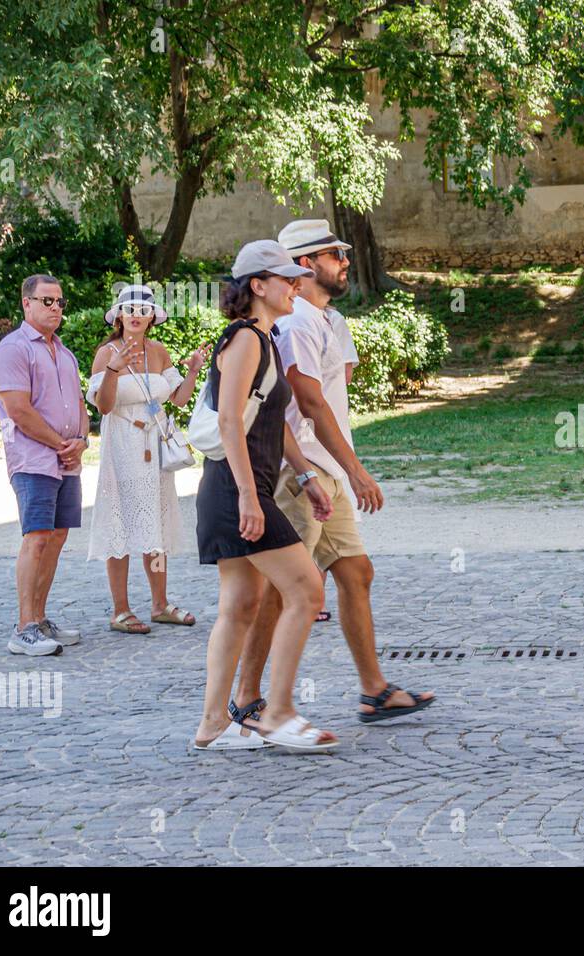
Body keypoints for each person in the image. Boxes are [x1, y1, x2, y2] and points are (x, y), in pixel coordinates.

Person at [228, 219, 433, 736]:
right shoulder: (294, 321)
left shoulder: (323, 318)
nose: (344, 261)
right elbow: (311, 404)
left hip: (327, 468)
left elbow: (335, 395)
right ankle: (248, 699)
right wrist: (355, 471)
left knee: (356, 572)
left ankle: (374, 691)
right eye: (334, 254)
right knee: (285, 588)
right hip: (305, 473)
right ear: (304, 263)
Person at [191, 240, 338, 752]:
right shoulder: (246, 339)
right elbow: (230, 419)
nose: (295, 285)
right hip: (237, 489)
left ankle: (212, 723)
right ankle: (277, 713)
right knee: (306, 591)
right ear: (258, 285)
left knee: (241, 603)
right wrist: (251, 499)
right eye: (285, 278)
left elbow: (273, 425)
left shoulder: (265, 338)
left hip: (237, 487)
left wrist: (306, 476)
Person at [87, 284, 208, 634]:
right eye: (131, 309)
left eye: (144, 310)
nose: (137, 315)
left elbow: (180, 399)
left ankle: (159, 603)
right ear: (120, 315)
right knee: (120, 521)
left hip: (153, 442)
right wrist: (113, 369)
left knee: (154, 520)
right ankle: (120, 609)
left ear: (153, 316)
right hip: (122, 444)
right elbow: (104, 407)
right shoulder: (105, 352)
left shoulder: (159, 352)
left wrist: (194, 370)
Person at [0, 274, 90, 656]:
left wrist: (80, 441)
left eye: (60, 302)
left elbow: (79, 404)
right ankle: (24, 627)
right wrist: (60, 443)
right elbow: (18, 409)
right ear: (26, 303)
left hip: (67, 459)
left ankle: (41, 618)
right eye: (46, 301)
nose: (55, 308)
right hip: (33, 459)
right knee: (37, 537)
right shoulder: (13, 349)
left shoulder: (63, 352)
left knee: (57, 536)